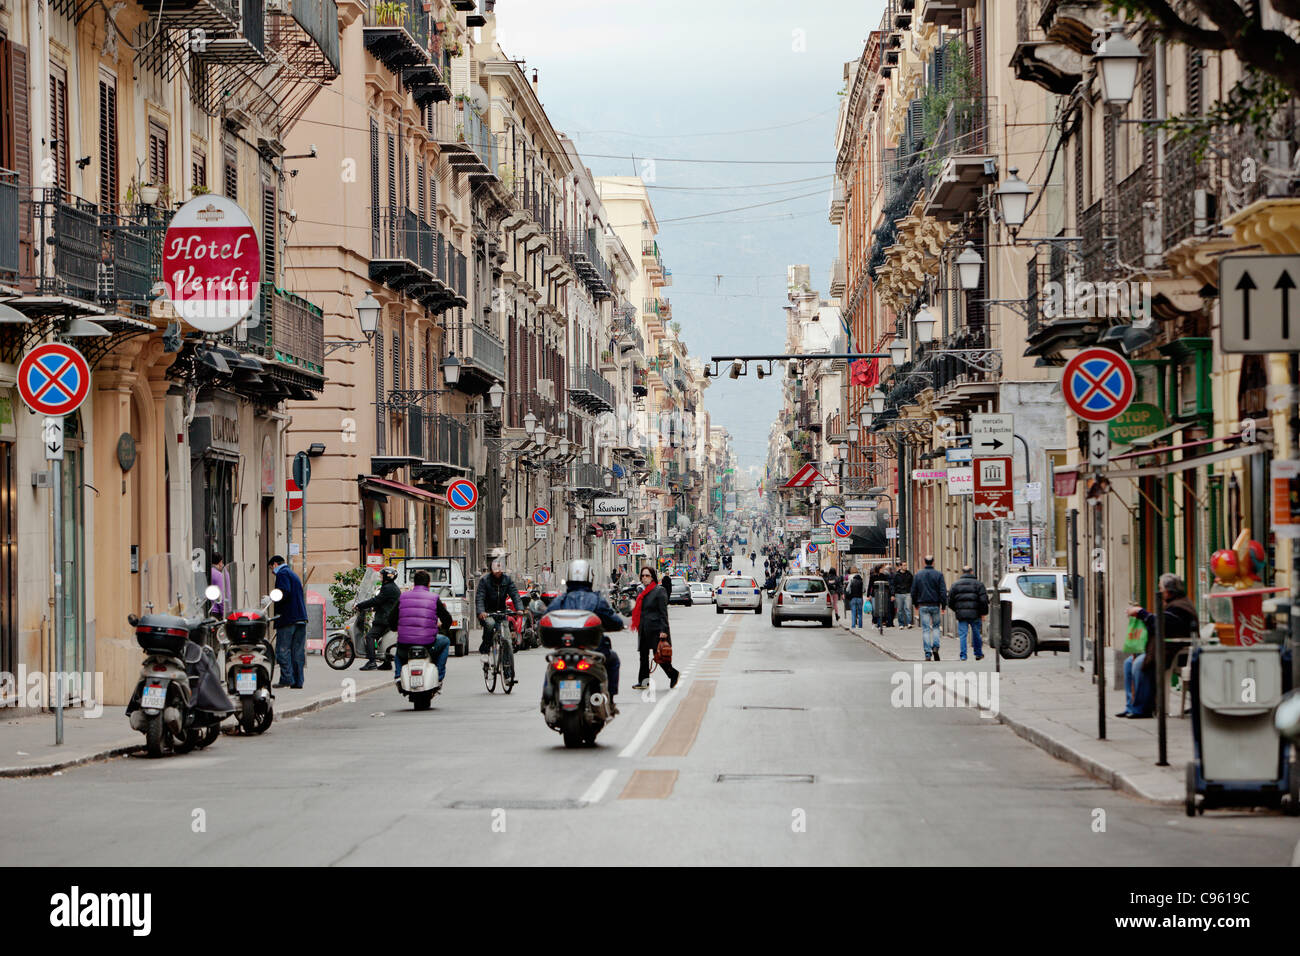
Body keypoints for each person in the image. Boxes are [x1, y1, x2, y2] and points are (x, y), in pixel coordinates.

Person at [1121, 573, 1198, 718]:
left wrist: (1141, 613)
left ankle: (1142, 709)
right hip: (1165, 648)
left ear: (1169, 590)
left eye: (1161, 588)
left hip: (1175, 652)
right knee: (1128, 663)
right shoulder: (1174, 605)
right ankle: (1131, 706)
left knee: (1138, 663)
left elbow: (1162, 625)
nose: (1160, 592)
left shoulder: (1180, 607)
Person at [546, 559, 624, 699]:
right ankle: (610, 698)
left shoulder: (561, 600)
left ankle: (546, 699)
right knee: (613, 660)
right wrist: (618, 624)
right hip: (592, 650)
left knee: (552, 666)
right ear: (590, 578)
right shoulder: (596, 600)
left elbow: (546, 617)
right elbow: (614, 621)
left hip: (565, 649)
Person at [394, 569, 454, 688]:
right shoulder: (434, 598)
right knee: (445, 642)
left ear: (414, 583)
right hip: (428, 644)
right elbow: (448, 620)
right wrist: (442, 628)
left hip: (405, 645)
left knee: (398, 652)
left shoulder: (402, 597)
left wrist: (397, 628)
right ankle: (440, 676)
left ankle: (398, 676)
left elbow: (391, 619)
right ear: (428, 584)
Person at [632, 566, 679, 690]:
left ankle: (673, 673)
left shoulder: (659, 591)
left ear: (652, 577)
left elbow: (663, 613)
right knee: (643, 656)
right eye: (643, 576)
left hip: (656, 629)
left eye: (647, 575)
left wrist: (664, 630)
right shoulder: (641, 591)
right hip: (644, 629)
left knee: (659, 656)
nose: (645, 578)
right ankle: (643, 682)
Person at [475, 552, 522, 673]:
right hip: (487, 613)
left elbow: (515, 594)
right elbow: (480, 597)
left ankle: (508, 673)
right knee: (490, 625)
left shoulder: (507, 580)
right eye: (495, 570)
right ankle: (485, 651)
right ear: (491, 570)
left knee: (507, 640)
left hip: (501, 613)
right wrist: (481, 612)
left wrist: (519, 609)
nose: (498, 572)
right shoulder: (485, 581)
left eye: (500, 570)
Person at [269, 555, 309, 688]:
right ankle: (298, 681)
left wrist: (271, 598)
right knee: (297, 651)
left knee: (282, 650)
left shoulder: (282, 573)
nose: (272, 572)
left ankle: (286, 679)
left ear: (275, 564)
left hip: (287, 619)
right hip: (300, 618)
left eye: (271, 568)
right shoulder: (292, 574)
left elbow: (283, 592)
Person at [354, 565, 401, 671]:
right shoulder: (391, 587)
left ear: (387, 576)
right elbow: (384, 602)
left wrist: (360, 605)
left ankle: (371, 662)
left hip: (385, 619)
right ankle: (386, 663)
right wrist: (373, 608)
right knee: (382, 640)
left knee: (370, 636)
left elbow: (377, 600)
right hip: (388, 617)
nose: (380, 577)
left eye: (381, 575)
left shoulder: (388, 588)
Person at [948, 565, 989, 661]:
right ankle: (978, 654)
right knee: (976, 634)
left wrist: (957, 610)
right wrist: (983, 613)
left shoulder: (955, 585)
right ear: (971, 572)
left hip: (962, 615)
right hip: (976, 614)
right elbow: (983, 600)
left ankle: (963, 655)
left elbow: (950, 601)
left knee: (963, 635)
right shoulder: (979, 584)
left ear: (962, 572)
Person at [911, 555, 948, 662]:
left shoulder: (918, 575)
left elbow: (913, 591)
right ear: (933, 562)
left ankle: (928, 653)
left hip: (923, 605)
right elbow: (942, 591)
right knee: (936, 627)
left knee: (926, 629)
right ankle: (936, 647)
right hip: (935, 605)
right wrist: (943, 605)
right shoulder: (939, 574)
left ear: (924, 562)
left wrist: (915, 604)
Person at [892, 561, 914, 629]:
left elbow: (912, 583)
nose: (905, 567)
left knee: (908, 608)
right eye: (904, 565)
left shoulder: (909, 574)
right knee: (900, 610)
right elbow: (893, 585)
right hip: (899, 594)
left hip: (907, 593)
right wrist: (893, 594)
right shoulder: (896, 575)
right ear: (901, 566)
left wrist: (912, 592)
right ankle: (901, 624)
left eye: (906, 565)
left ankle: (909, 623)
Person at [208, 553, 229, 618]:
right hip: (216, 611)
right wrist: (224, 613)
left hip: (206, 609)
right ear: (220, 562)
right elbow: (222, 596)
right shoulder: (218, 575)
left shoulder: (207, 572)